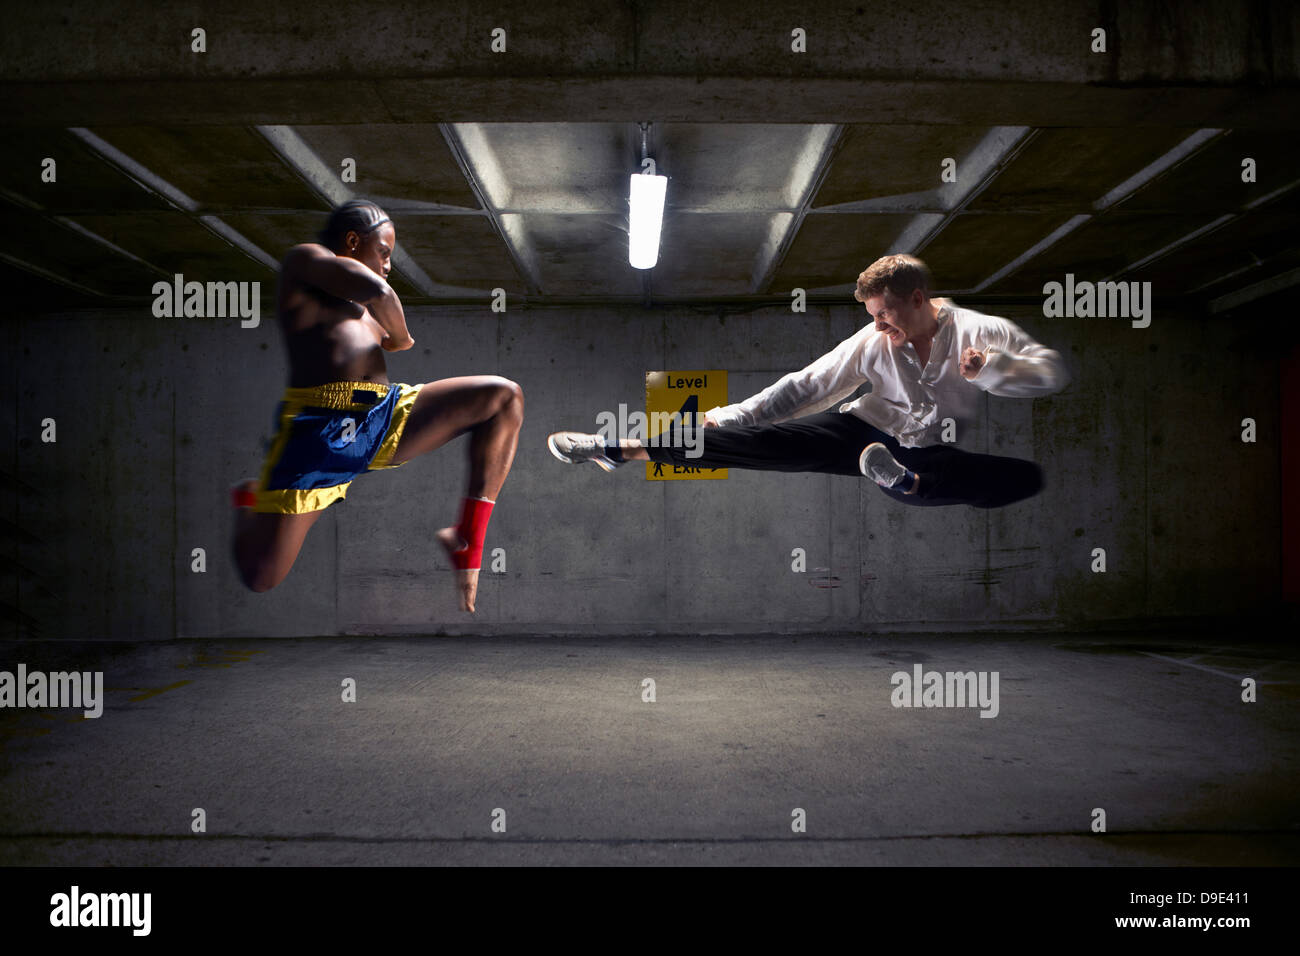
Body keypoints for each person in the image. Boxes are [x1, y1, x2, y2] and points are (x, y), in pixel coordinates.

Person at [548, 254, 1066, 509]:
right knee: (751, 442)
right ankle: (618, 448)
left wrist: (994, 370)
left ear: (917, 298)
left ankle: (902, 481)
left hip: (926, 451)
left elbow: (1049, 372)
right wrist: (724, 418)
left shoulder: (981, 330)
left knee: (1020, 478)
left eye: (885, 314)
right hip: (858, 434)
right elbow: (803, 387)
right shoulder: (871, 342)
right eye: (872, 317)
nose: (879, 326)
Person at [232, 199, 523, 612]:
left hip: (381, 415)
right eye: (384, 252)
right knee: (261, 578)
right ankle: (248, 501)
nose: (388, 264)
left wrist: (385, 328)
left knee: (503, 396)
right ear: (353, 241)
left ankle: (466, 537)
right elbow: (378, 289)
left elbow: (376, 295)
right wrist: (402, 338)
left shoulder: (364, 313)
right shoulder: (306, 261)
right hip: (319, 433)